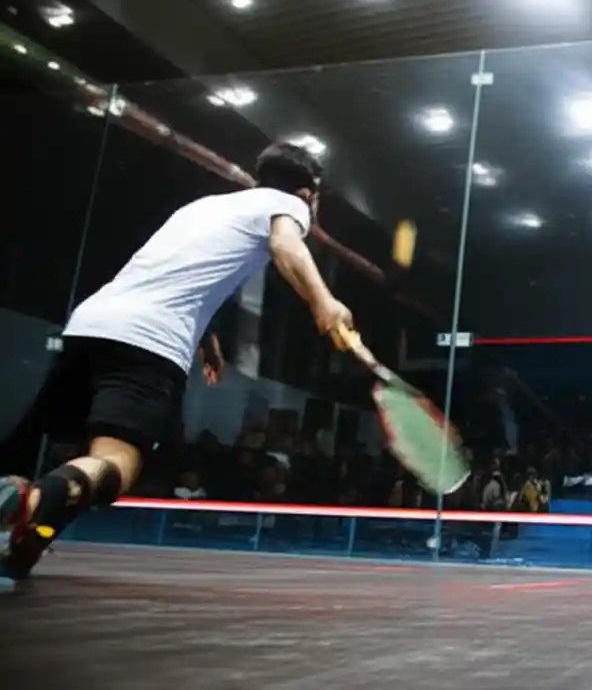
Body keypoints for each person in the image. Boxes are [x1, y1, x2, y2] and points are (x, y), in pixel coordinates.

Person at [0, 142, 354, 579]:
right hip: (148, 342)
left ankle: (25, 547)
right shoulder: (289, 205)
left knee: (79, 459)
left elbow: (174, 274)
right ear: (308, 192)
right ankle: (26, 503)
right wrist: (324, 302)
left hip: (88, 327)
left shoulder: (201, 208)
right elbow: (286, 246)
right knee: (117, 463)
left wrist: (207, 338)